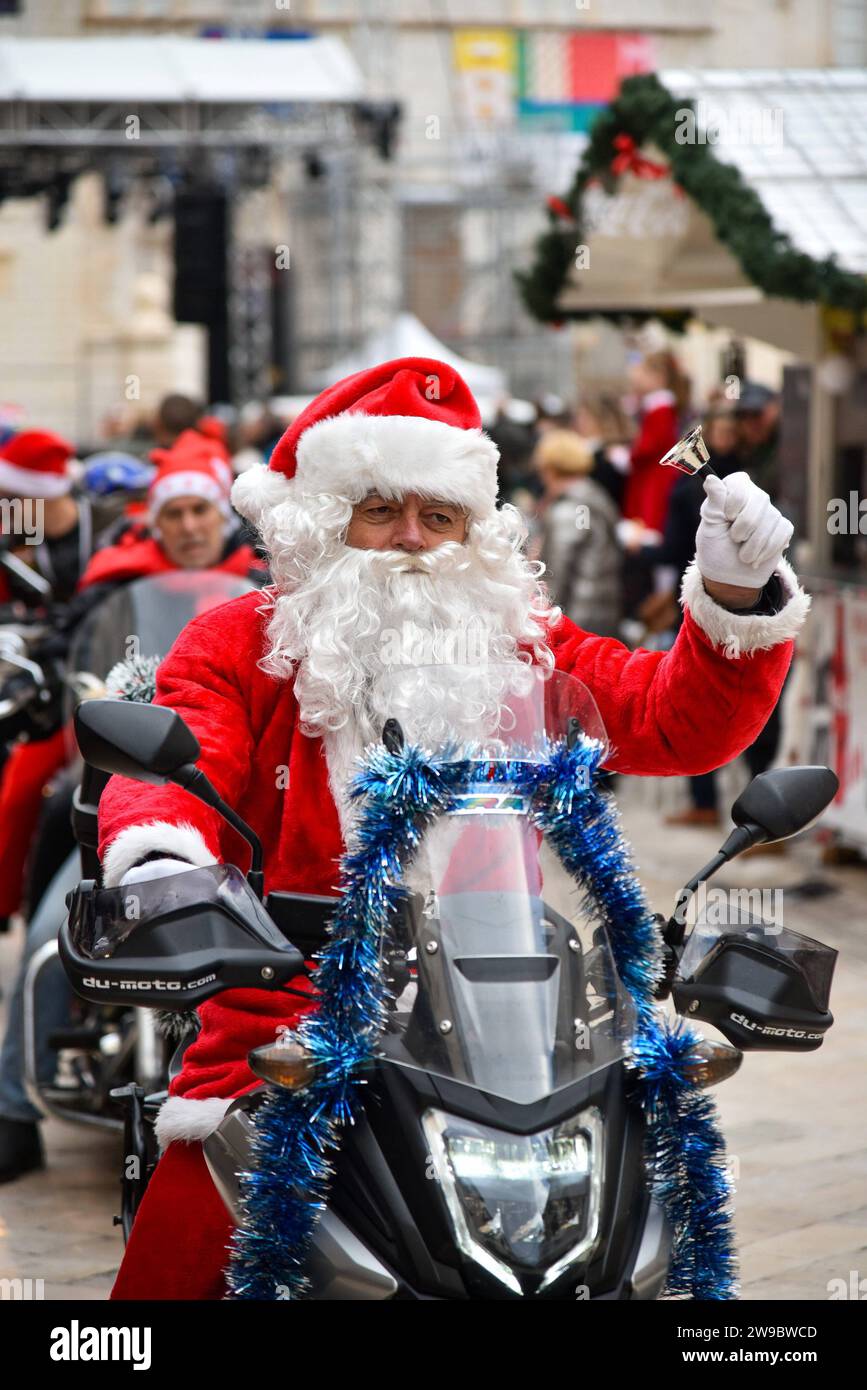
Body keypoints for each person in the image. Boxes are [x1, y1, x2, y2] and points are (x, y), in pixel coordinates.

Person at [93, 356, 807, 1299]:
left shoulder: (524, 646)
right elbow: (179, 764)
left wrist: (733, 596)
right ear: (323, 518)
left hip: (513, 1026)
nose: (411, 542)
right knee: (182, 1245)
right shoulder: (242, 642)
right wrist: (164, 870)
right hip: (293, 1009)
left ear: (474, 530)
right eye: (380, 510)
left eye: (439, 517)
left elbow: (672, 721)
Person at [0, 437, 267, 1184]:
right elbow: (63, 650)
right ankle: (13, 1111)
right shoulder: (111, 583)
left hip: (221, 792)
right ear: (155, 519)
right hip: (119, 781)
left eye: (199, 511)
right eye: (174, 512)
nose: (188, 526)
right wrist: (67, 683)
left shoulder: (260, 590)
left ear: (222, 517)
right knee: (56, 930)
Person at [534, 429, 622, 638]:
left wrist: (544, 617)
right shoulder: (592, 496)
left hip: (578, 616)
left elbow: (557, 569)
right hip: (600, 610)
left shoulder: (574, 506)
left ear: (550, 468)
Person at [0, 430, 93, 605]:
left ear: (41, 495)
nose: (4, 510)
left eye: (7, 500)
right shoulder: (15, 539)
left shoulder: (110, 529)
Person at [621, 351, 690, 536]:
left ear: (659, 377)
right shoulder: (656, 406)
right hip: (653, 474)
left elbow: (649, 446)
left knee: (651, 526)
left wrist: (626, 456)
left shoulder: (660, 408)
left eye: (644, 372)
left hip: (655, 477)